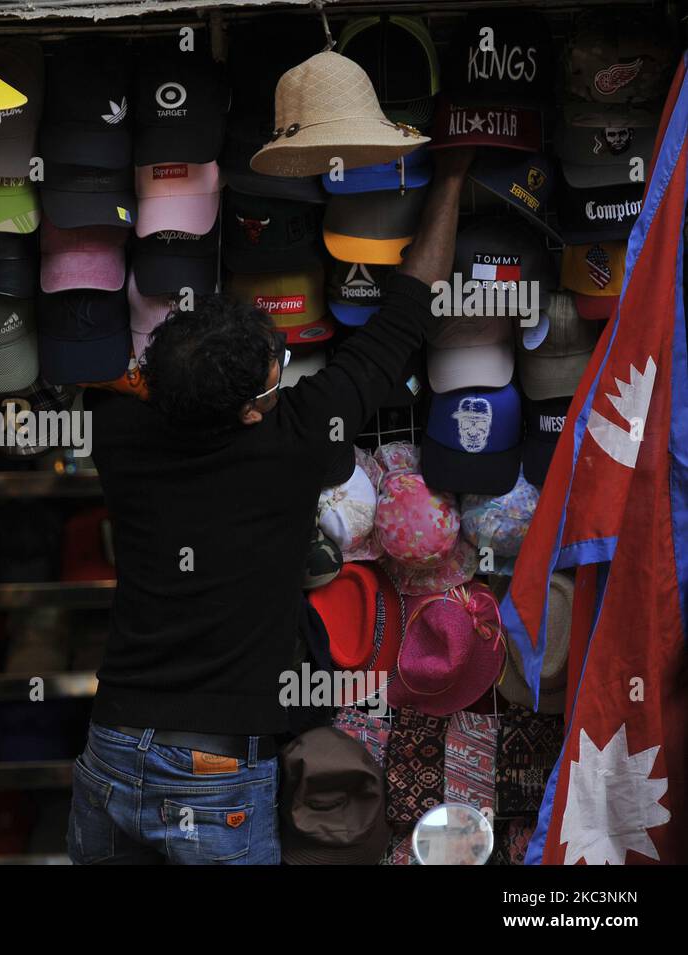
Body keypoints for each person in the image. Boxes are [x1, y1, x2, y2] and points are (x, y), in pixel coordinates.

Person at [68, 147, 475, 865]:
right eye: (271, 379)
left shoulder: (119, 432)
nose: (280, 384)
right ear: (252, 413)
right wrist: (451, 176)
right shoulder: (292, 439)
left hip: (111, 748)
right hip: (214, 777)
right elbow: (405, 315)